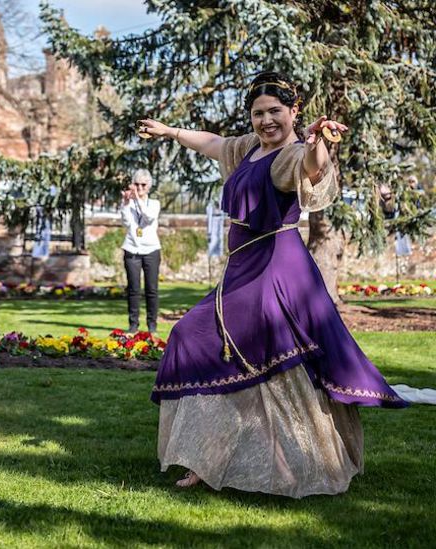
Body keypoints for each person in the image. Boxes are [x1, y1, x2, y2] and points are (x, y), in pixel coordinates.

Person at [140, 71, 407, 498]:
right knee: (194, 336)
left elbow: (312, 166)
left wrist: (319, 141)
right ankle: (207, 457)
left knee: (253, 350)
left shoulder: (289, 154)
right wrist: (171, 131)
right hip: (242, 268)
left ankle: (288, 462)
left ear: (293, 112)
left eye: (275, 112)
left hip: (275, 269)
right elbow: (212, 143)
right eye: (258, 113)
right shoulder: (247, 149)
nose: (266, 121)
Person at [119, 169, 161, 334]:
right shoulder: (129, 203)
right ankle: (133, 325)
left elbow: (149, 217)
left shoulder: (154, 204)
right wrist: (125, 203)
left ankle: (152, 326)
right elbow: (127, 223)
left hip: (151, 249)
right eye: (136, 184)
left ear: (149, 186)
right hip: (132, 248)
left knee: (152, 290)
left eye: (143, 185)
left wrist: (138, 200)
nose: (139, 188)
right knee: (133, 289)